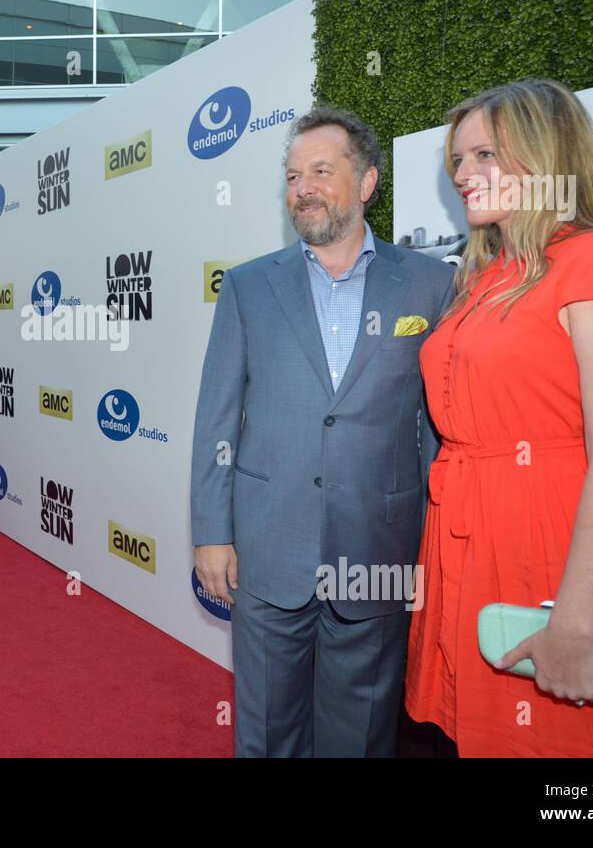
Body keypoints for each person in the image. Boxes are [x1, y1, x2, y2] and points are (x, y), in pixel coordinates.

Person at [405, 79, 593, 757]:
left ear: (545, 156)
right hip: (475, 538)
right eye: (457, 160)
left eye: (484, 155)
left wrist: (575, 622)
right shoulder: (487, 275)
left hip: (568, 547)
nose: (463, 174)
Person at [190, 106, 454, 758]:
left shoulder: (430, 283)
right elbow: (217, 417)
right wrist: (212, 532)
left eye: (320, 171)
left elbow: (439, 429)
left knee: (360, 736)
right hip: (268, 546)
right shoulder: (250, 286)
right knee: (268, 732)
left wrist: (438, 545)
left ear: (365, 182)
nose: (301, 187)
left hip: (379, 549)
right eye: (291, 175)